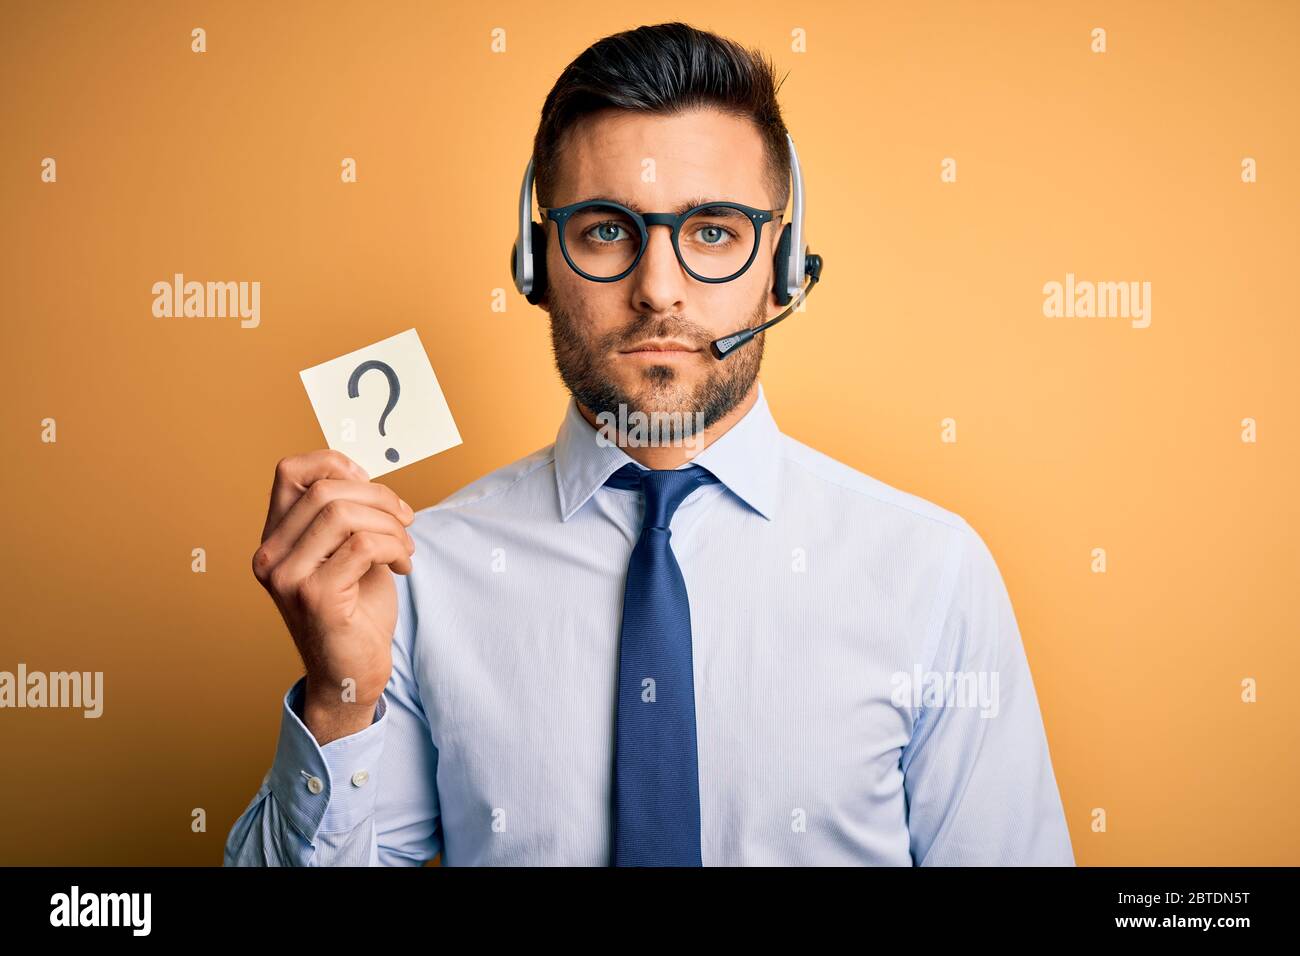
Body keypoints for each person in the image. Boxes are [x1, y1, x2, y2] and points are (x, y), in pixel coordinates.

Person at [225, 21, 1073, 866]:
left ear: (780, 268)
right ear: (534, 263)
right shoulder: (421, 572)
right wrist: (342, 706)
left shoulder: (932, 573)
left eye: (713, 231)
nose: (658, 290)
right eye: (604, 230)